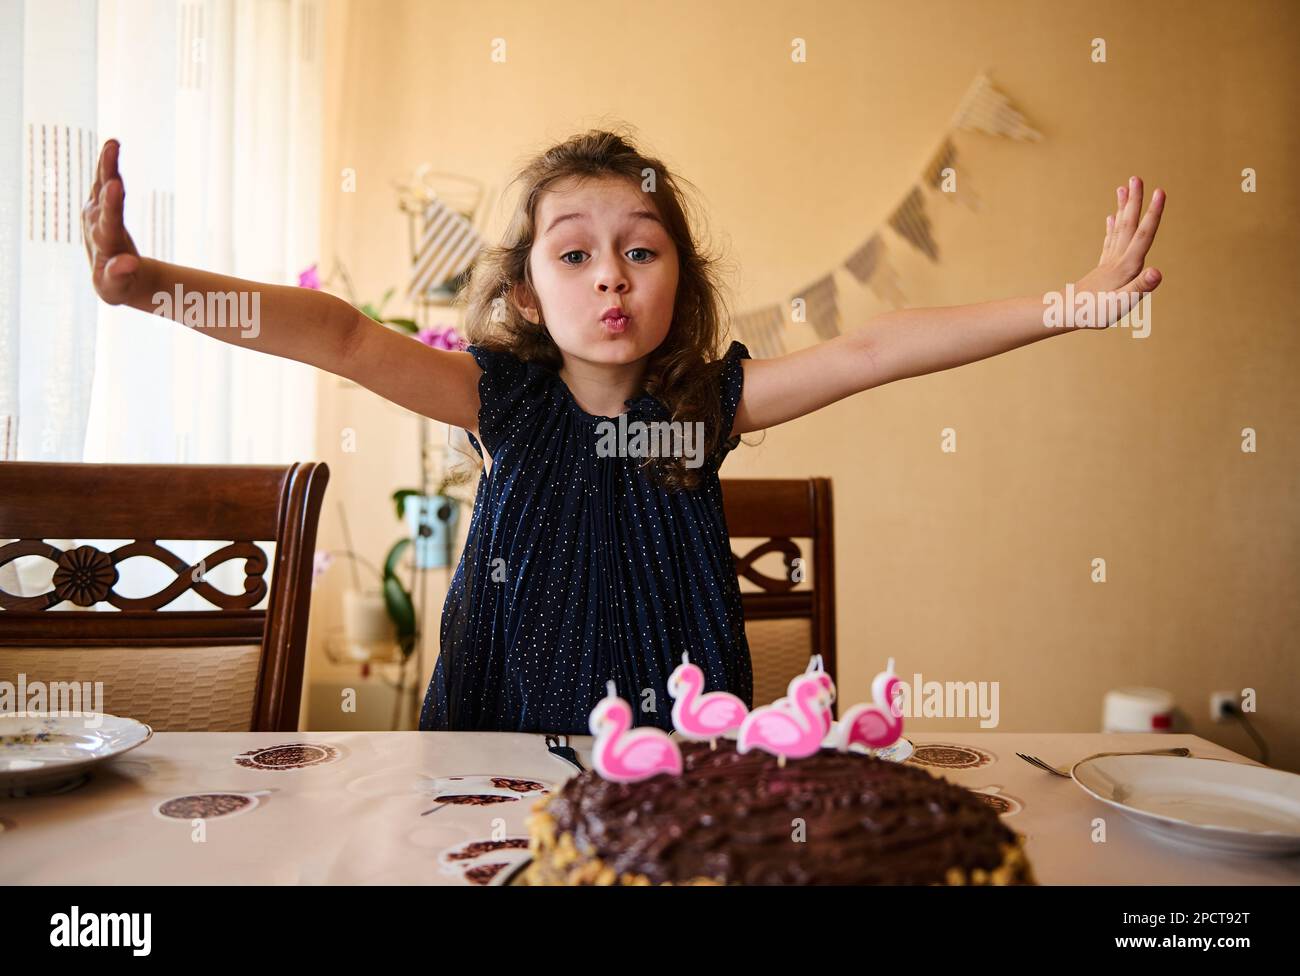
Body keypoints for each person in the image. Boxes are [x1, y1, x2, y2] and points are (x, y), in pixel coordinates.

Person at [82, 127, 1166, 734]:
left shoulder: (704, 409)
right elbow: (340, 334)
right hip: (490, 755)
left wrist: (1074, 302)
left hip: (680, 765)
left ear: (678, 282)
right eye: (574, 252)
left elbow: (876, 346)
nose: (610, 273)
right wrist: (149, 285)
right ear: (521, 293)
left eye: (641, 250)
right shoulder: (496, 401)